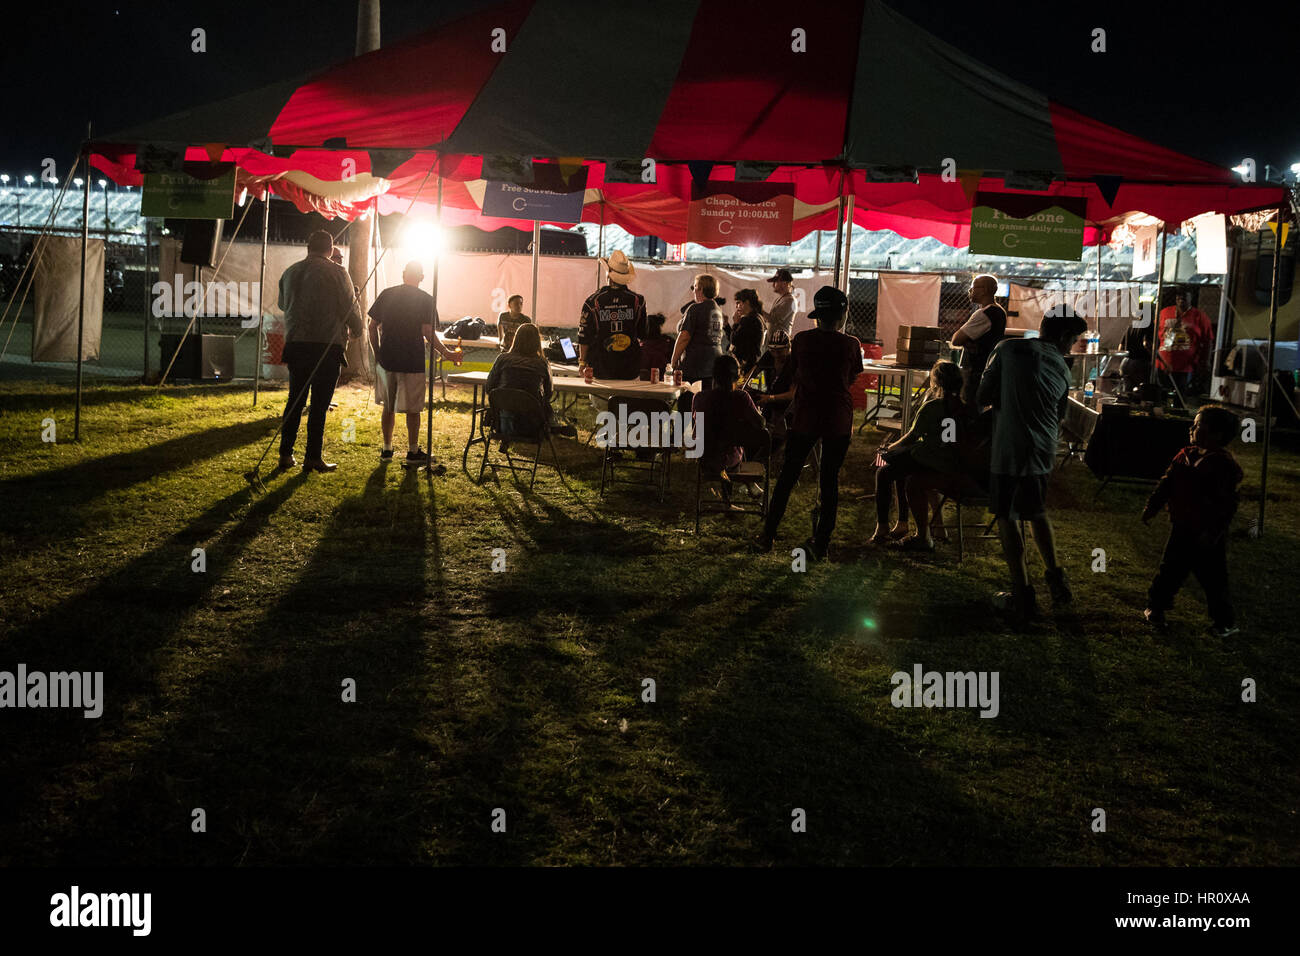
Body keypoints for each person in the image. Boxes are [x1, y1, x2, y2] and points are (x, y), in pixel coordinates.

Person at [977, 306, 1088, 620]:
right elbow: (1061, 415)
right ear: (1065, 337)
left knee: (1007, 517)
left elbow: (983, 394)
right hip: (1041, 450)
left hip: (1008, 446)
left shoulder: (1007, 349)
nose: (1072, 346)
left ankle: (1022, 592)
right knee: (1037, 512)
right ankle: (1056, 581)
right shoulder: (1062, 368)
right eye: (1074, 340)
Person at [754, 286, 864, 560]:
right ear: (842, 316)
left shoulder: (802, 340)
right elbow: (852, 377)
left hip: (806, 415)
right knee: (829, 481)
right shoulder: (851, 344)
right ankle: (821, 542)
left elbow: (793, 373)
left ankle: (768, 534)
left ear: (818, 316)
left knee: (788, 476)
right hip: (838, 416)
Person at [1141, 405, 1242, 637]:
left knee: (1213, 579)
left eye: (1198, 426)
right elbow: (1167, 483)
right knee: (1169, 570)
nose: (1192, 429)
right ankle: (1156, 608)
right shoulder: (1185, 456)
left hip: (1206, 534)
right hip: (1181, 528)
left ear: (1217, 434)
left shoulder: (1223, 466)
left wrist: (1213, 533)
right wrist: (1152, 506)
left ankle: (1225, 622)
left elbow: (1226, 505)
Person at [278, 230, 364, 473]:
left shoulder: (290, 272)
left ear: (308, 247)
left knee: (295, 399)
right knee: (319, 404)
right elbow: (349, 307)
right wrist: (357, 328)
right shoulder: (338, 272)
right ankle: (312, 457)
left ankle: (285, 455)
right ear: (330, 249)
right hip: (326, 345)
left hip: (296, 344)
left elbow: (283, 304)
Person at [368, 260, 463, 469]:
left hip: (388, 359)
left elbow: (372, 326)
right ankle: (412, 451)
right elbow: (427, 332)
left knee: (388, 406)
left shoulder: (387, 294)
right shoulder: (426, 299)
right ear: (421, 277)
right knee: (413, 408)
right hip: (412, 359)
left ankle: (386, 448)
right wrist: (446, 352)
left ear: (403, 274)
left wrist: (377, 353)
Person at [870, 361, 968, 551]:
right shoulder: (964, 409)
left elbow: (911, 437)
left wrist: (890, 447)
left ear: (937, 382)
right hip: (950, 461)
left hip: (930, 459)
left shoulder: (932, 407)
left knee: (883, 473)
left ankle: (882, 528)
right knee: (901, 467)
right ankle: (902, 523)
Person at [485, 323, 577, 442]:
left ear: (516, 339)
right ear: (537, 342)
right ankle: (553, 425)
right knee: (545, 406)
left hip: (503, 425)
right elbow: (548, 394)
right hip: (532, 426)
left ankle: (553, 425)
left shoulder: (502, 359)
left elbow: (489, 387)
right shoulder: (542, 363)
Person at [691, 354, 767, 486]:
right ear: (737, 377)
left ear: (714, 375)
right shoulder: (742, 397)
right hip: (730, 462)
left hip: (705, 459)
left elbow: (696, 429)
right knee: (738, 437)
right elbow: (760, 424)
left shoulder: (699, 397)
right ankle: (749, 485)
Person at [579, 250, 647, 379]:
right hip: (630, 367)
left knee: (600, 398)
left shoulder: (593, 301)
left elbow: (584, 336)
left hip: (600, 367)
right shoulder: (638, 301)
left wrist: (582, 363)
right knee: (628, 399)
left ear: (608, 275)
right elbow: (643, 333)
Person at [953, 273, 1007, 407]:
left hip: (974, 371)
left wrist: (967, 342)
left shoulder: (984, 314)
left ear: (984, 290)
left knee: (969, 407)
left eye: (973, 287)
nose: (970, 291)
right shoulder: (999, 311)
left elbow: (956, 339)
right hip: (985, 369)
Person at [672, 273, 725, 389]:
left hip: (696, 365)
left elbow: (684, 336)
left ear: (701, 289)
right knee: (706, 401)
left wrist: (674, 359)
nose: (693, 291)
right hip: (714, 364)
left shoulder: (695, 308)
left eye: (695, 287)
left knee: (688, 401)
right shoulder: (718, 310)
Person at [1155, 288, 1212, 396]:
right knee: (1160, 395)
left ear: (1191, 298)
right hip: (1163, 364)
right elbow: (1156, 335)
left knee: (1180, 397)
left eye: (1185, 296)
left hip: (1185, 366)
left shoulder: (1200, 316)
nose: (1181, 299)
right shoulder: (1164, 312)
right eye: (1179, 296)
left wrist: (1206, 362)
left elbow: (1208, 341)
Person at [729, 289, 765, 374]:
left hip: (746, 367)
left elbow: (734, 340)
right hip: (751, 364)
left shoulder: (749, 320)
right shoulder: (757, 317)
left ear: (747, 302)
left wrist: (736, 324)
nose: (736, 307)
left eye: (738, 303)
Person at [764, 268, 798, 341]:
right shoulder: (780, 299)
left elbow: (775, 320)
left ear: (784, 283)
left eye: (775, 282)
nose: (773, 285)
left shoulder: (790, 300)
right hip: (774, 342)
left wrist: (758, 309)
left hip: (780, 344)